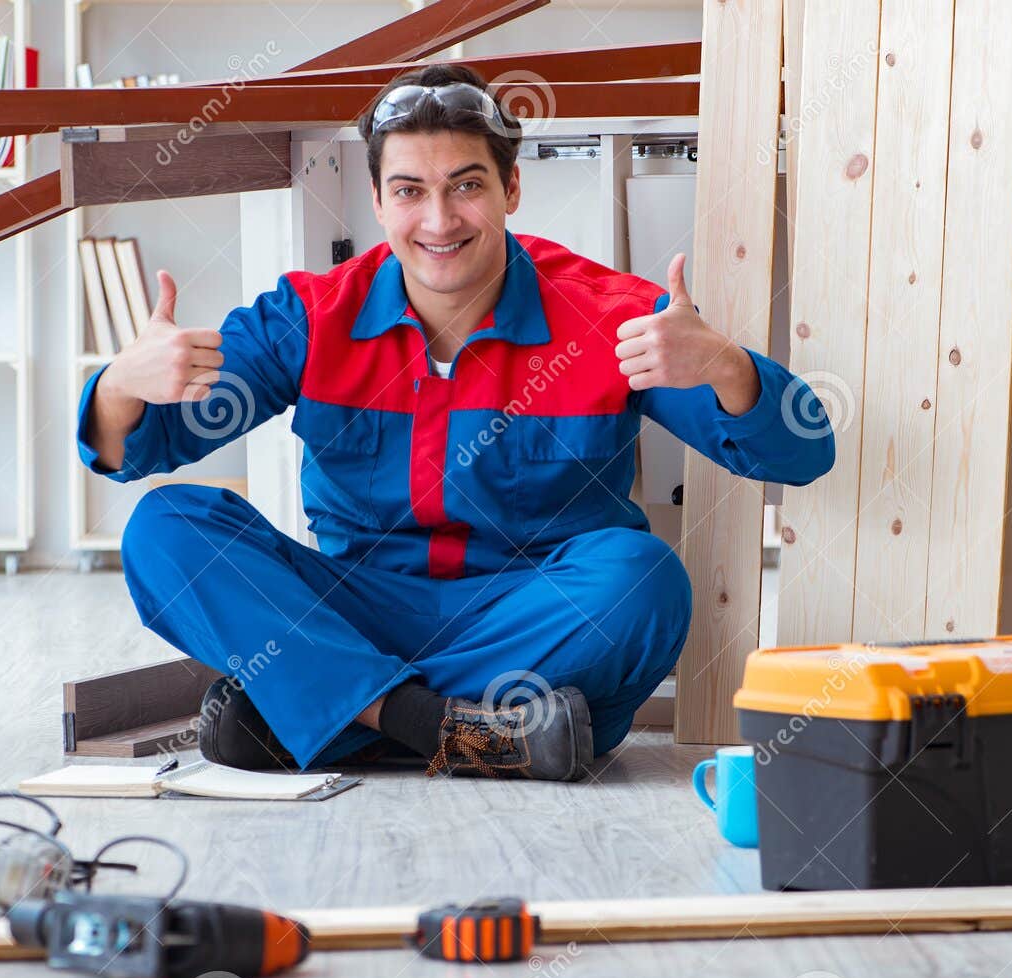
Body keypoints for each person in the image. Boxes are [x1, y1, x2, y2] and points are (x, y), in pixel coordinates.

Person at [77, 63, 835, 781]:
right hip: (357, 607)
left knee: (644, 580)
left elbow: (803, 455)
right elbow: (137, 448)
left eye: (466, 185)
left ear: (511, 187)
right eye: (409, 190)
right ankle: (465, 732)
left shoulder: (610, 317)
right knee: (165, 529)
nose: (438, 220)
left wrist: (729, 368)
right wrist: (118, 385)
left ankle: (330, 715)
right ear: (378, 201)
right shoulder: (311, 316)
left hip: (530, 616)